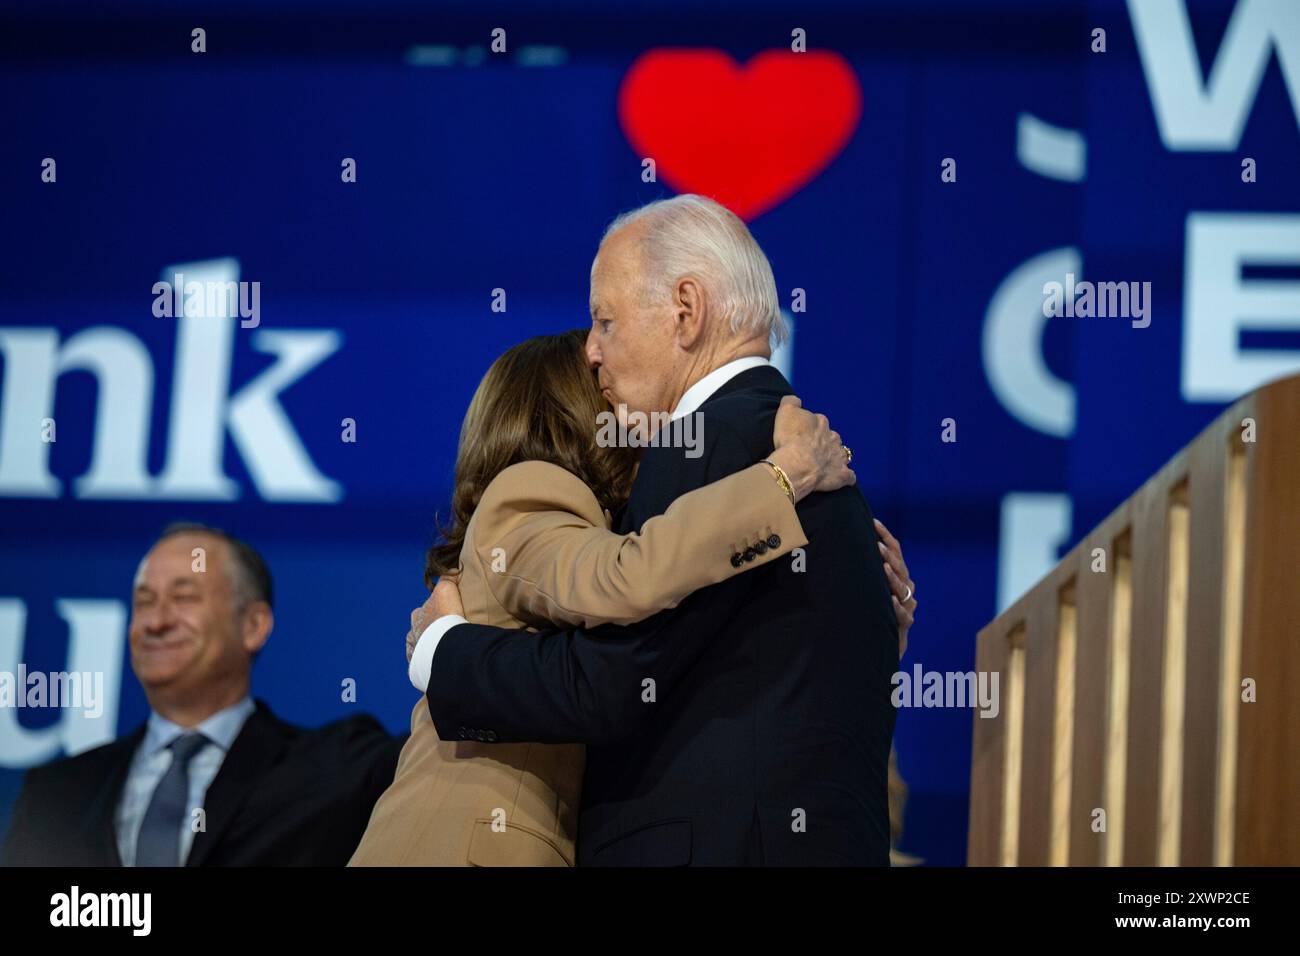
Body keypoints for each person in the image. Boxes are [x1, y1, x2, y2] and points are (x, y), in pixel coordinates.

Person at [410, 194, 918, 866]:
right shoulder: (825, 470)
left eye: (606, 321)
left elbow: (611, 682)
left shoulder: (707, 441)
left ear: (685, 309)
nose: (592, 352)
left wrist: (445, 650)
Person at [350, 328, 858, 865]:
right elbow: (627, 577)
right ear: (579, 410)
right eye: (605, 389)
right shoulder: (530, 491)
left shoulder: (560, 521)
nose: (630, 402)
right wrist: (783, 477)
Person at [1, 524, 404, 867]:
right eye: (144, 602)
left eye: (184, 597)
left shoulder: (335, 771)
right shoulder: (55, 794)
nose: (156, 622)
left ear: (253, 625)